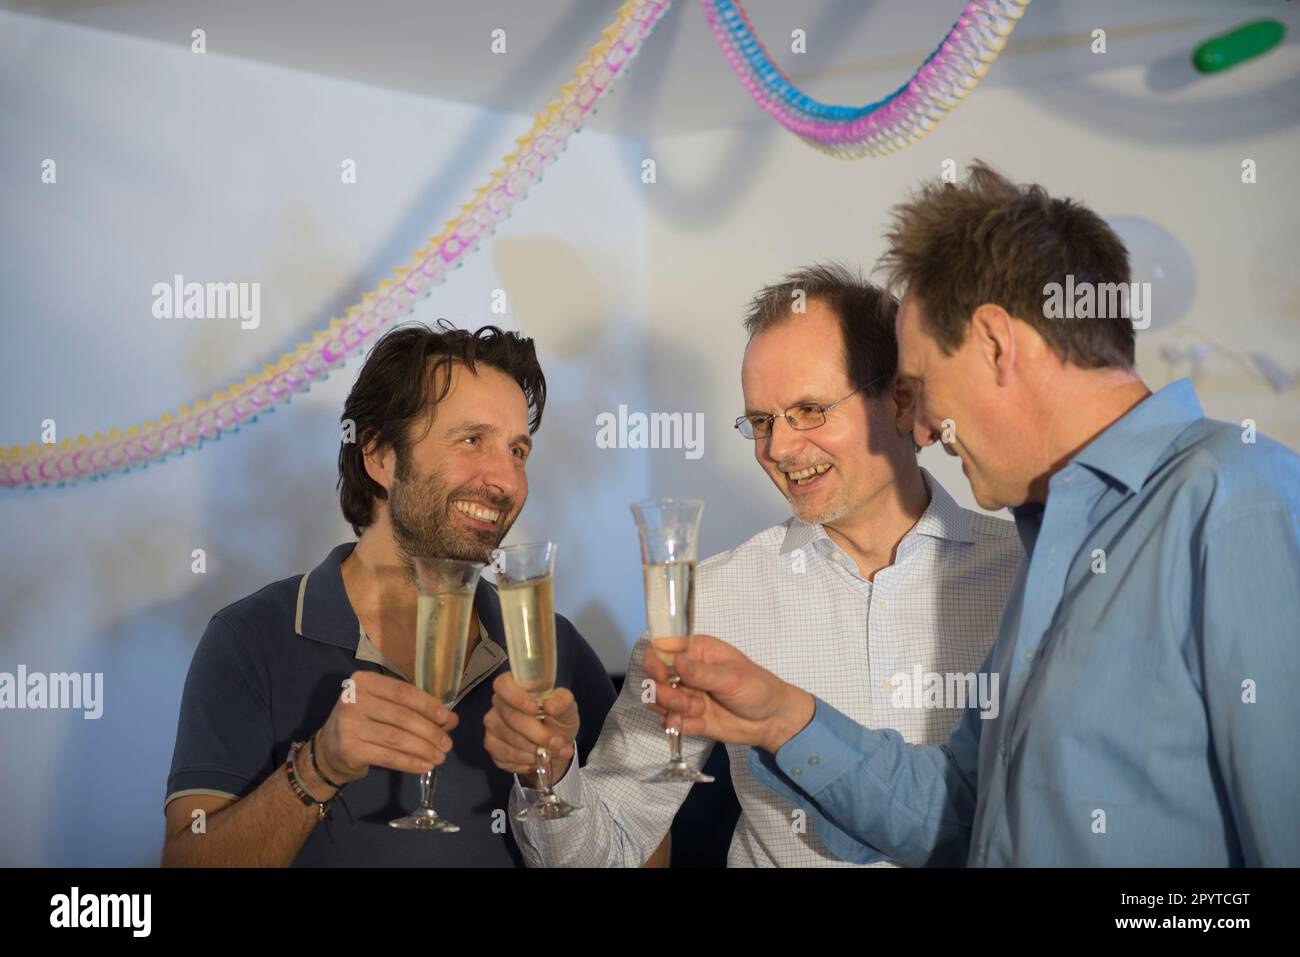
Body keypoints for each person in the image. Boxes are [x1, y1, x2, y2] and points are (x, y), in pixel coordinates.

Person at [644, 163, 1300, 866]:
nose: (921, 428)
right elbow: (960, 807)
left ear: (995, 344)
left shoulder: (1236, 501)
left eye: (921, 384)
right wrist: (782, 716)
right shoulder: (1053, 544)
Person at [484, 264, 1022, 866]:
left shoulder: (1028, 577)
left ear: (899, 402)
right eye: (762, 422)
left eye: (810, 410)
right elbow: (608, 849)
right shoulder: (710, 600)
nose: (780, 449)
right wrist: (551, 775)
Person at [162, 322, 617, 866]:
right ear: (378, 456)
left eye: (518, 450)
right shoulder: (249, 640)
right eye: (473, 440)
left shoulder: (556, 652)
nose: (507, 480)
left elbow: (644, 854)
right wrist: (317, 770)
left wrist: (554, 777)